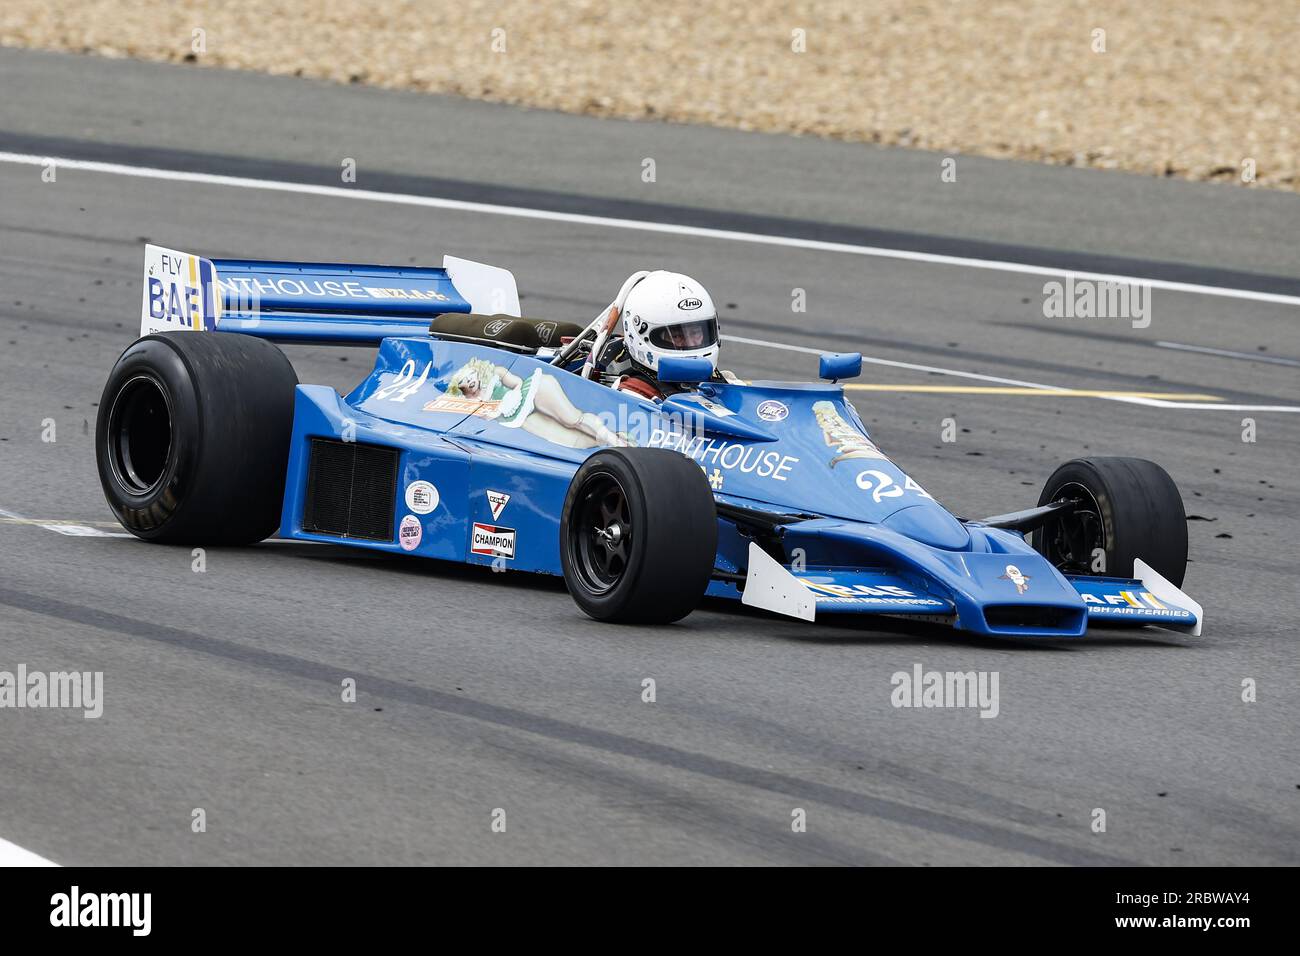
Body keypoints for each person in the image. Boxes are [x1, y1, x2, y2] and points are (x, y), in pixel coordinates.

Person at [595, 271, 724, 401]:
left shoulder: (723, 384)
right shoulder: (633, 395)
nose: (692, 343)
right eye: (677, 336)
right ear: (641, 334)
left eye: (696, 333)